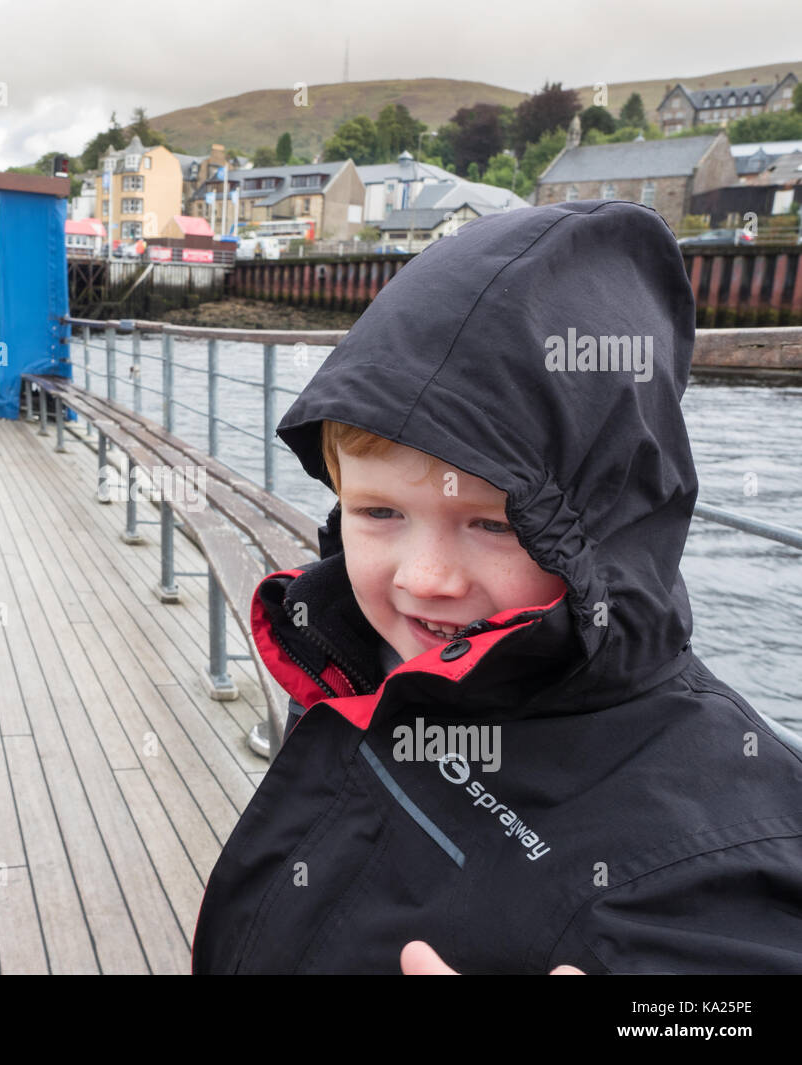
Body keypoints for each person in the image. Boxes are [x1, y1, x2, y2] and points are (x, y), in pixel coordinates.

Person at [191, 200, 802, 975]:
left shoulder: (709, 843)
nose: (425, 578)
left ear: (602, 527)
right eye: (379, 511)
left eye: (494, 524)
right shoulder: (356, 649)